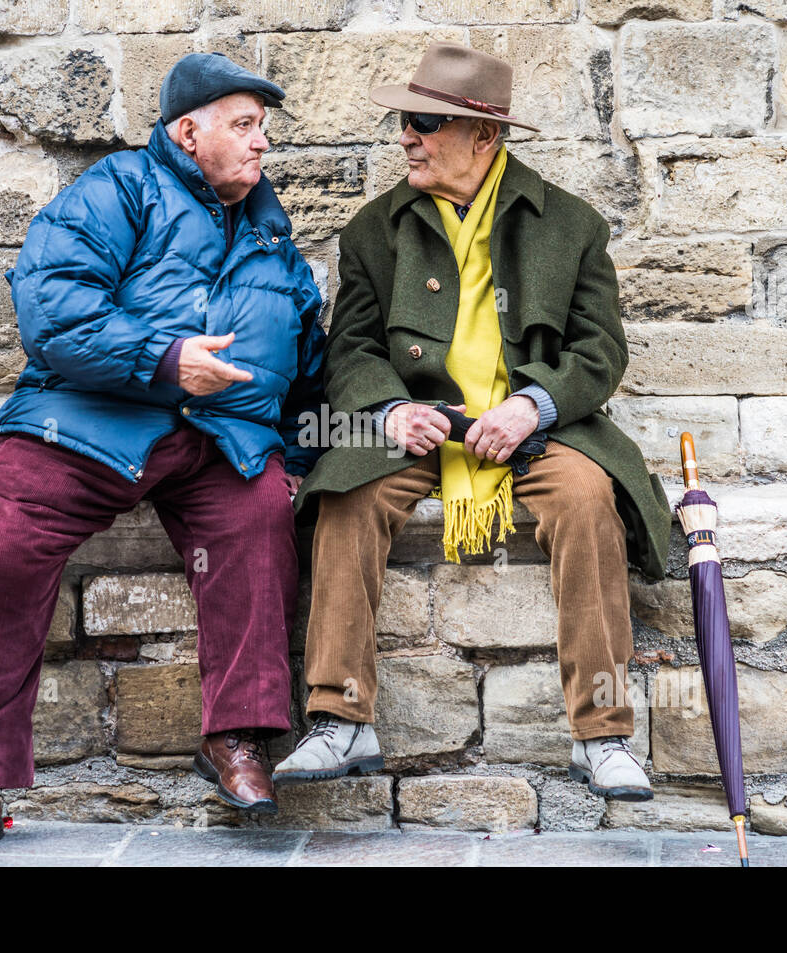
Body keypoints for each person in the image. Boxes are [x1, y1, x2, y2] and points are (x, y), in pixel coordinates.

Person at [0, 53, 327, 851]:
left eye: (264, 129)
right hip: (87, 420)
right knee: (7, 544)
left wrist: (305, 456)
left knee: (259, 516)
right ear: (188, 130)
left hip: (220, 441)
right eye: (244, 126)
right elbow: (54, 308)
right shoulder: (120, 190)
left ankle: (237, 737)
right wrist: (167, 359)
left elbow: (310, 374)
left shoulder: (277, 248)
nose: (262, 145)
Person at [275, 43, 671, 801]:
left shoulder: (573, 226)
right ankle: (340, 717)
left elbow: (600, 351)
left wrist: (532, 404)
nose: (406, 138)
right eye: (405, 121)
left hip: (541, 427)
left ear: (483, 136)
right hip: (421, 426)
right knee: (347, 495)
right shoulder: (372, 232)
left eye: (424, 122)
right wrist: (392, 410)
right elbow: (350, 348)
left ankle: (604, 732)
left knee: (590, 503)